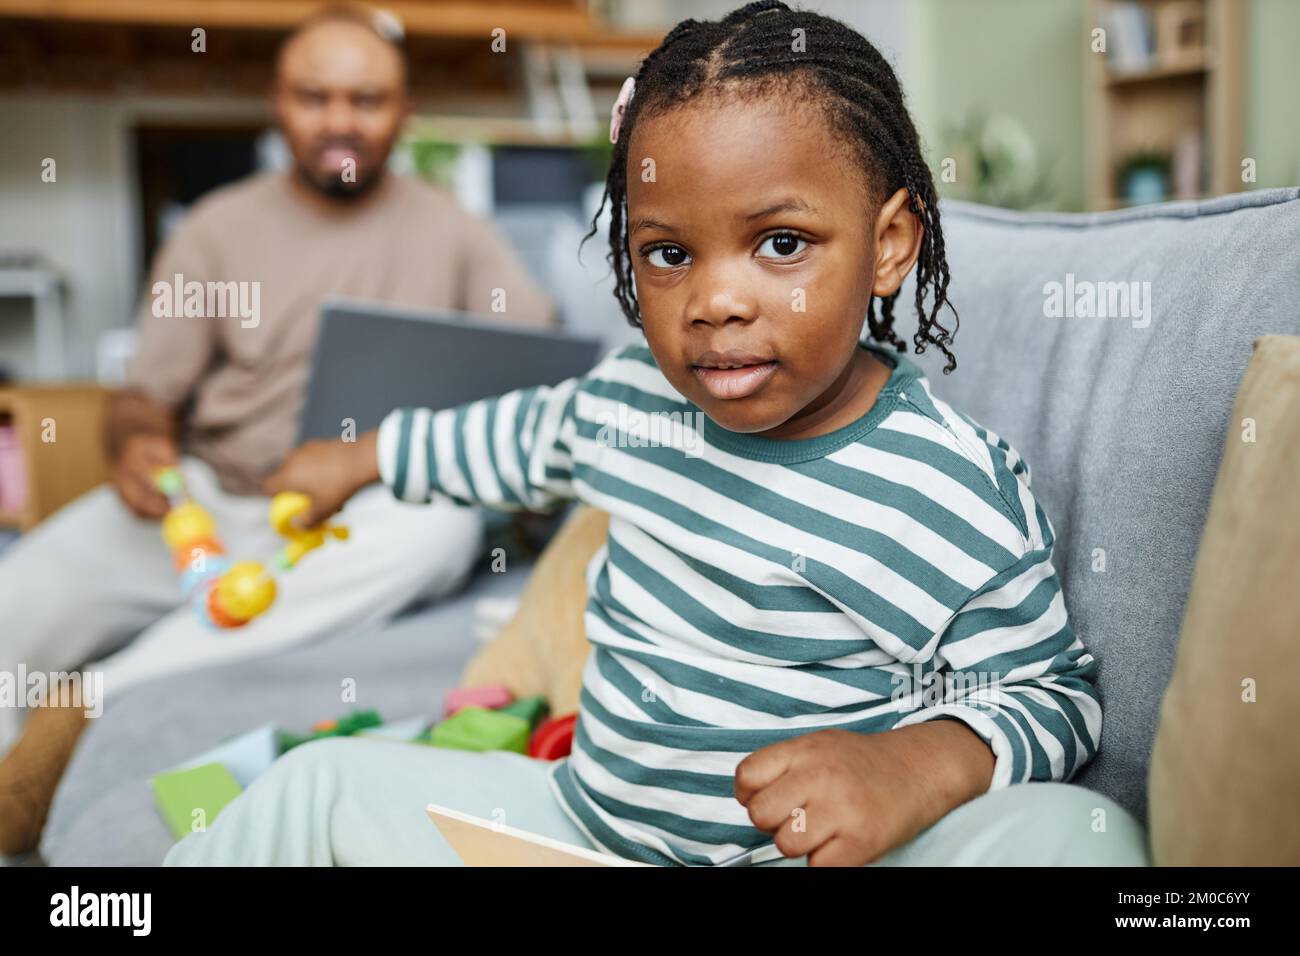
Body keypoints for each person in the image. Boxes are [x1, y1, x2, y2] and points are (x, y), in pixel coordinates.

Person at [167, 1, 1147, 867]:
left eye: (780, 243)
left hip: (803, 860)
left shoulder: (941, 481)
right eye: (669, 253)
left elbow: (1048, 693)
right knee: (314, 786)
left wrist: (911, 766)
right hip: (579, 831)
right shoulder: (635, 396)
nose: (714, 301)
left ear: (888, 244)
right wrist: (366, 454)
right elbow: (520, 435)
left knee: (1076, 832)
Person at [0, 4, 552, 854]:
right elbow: (145, 395)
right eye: (315, 96)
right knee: (23, 592)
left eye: (366, 99)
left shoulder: (453, 230)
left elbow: (535, 357)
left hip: (351, 519)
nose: (340, 120)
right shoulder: (218, 226)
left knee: (439, 525)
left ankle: (96, 696)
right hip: (209, 504)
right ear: (277, 103)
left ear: (402, 111)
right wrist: (137, 443)